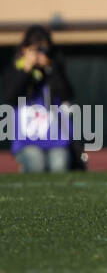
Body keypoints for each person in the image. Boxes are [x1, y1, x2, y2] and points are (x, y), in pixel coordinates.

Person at [3, 26, 75, 173]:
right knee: (36, 163)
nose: (38, 54)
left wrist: (50, 68)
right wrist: (26, 71)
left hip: (55, 138)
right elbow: (10, 95)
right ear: (24, 50)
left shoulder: (54, 68)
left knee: (59, 164)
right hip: (26, 140)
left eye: (42, 50)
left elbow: (66, 94)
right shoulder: (17, 68)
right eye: (34, 50)